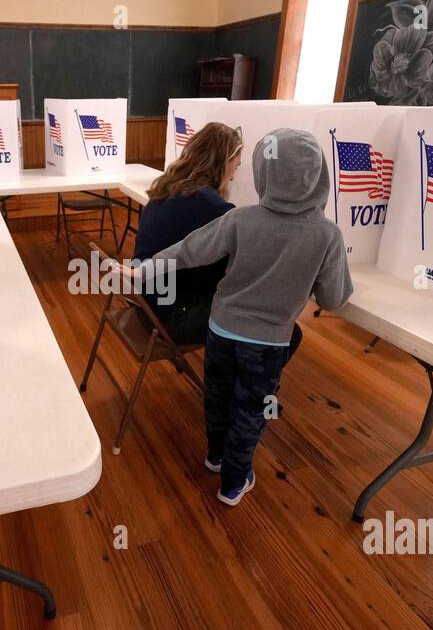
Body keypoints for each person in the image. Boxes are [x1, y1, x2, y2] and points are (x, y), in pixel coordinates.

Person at [147, 128, 352, 506]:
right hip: (268, 341)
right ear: (319, 175)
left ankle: (215, 456)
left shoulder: (240, 219)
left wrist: (143, 269)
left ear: (261, 170)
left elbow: (188, 251)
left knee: (217, 395)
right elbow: (334, 299)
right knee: (250, 410)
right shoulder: (327, 235)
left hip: (220, 328)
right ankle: (232, 484)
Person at [132, 122, 242, 345]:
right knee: (282, 327)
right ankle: (232, 378)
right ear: (223, 163)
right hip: (173, 316)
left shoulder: (165, 187)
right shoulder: (214, 209)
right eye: (236, 167)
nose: (233, 175)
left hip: (143, 301)